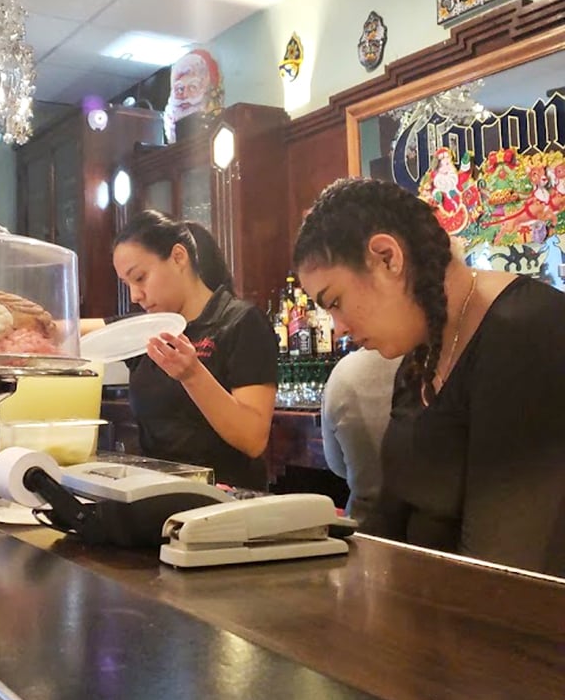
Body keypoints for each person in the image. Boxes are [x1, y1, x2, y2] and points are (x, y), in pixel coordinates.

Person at [293, 177, 565, 576]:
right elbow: (388, 517)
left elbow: (503, 574)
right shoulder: (424, 349)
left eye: (335, 302)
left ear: (387, 258)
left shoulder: (528, 332)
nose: (339, 329)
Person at [86, 212, 277, 489]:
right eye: (127, 284)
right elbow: (67, 330)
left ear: (178, 257)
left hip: (226, 498)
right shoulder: (146, 328)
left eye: (140, 277)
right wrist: (28, 321)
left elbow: (253, 439)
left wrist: (192, 375)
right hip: (159, 493)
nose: (135, 295)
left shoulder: (240, 321)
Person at [321, 348, 401, 523]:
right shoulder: (438, 361)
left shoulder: (344, 371)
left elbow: (336, 464)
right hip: (429, 528)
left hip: (363, 521)